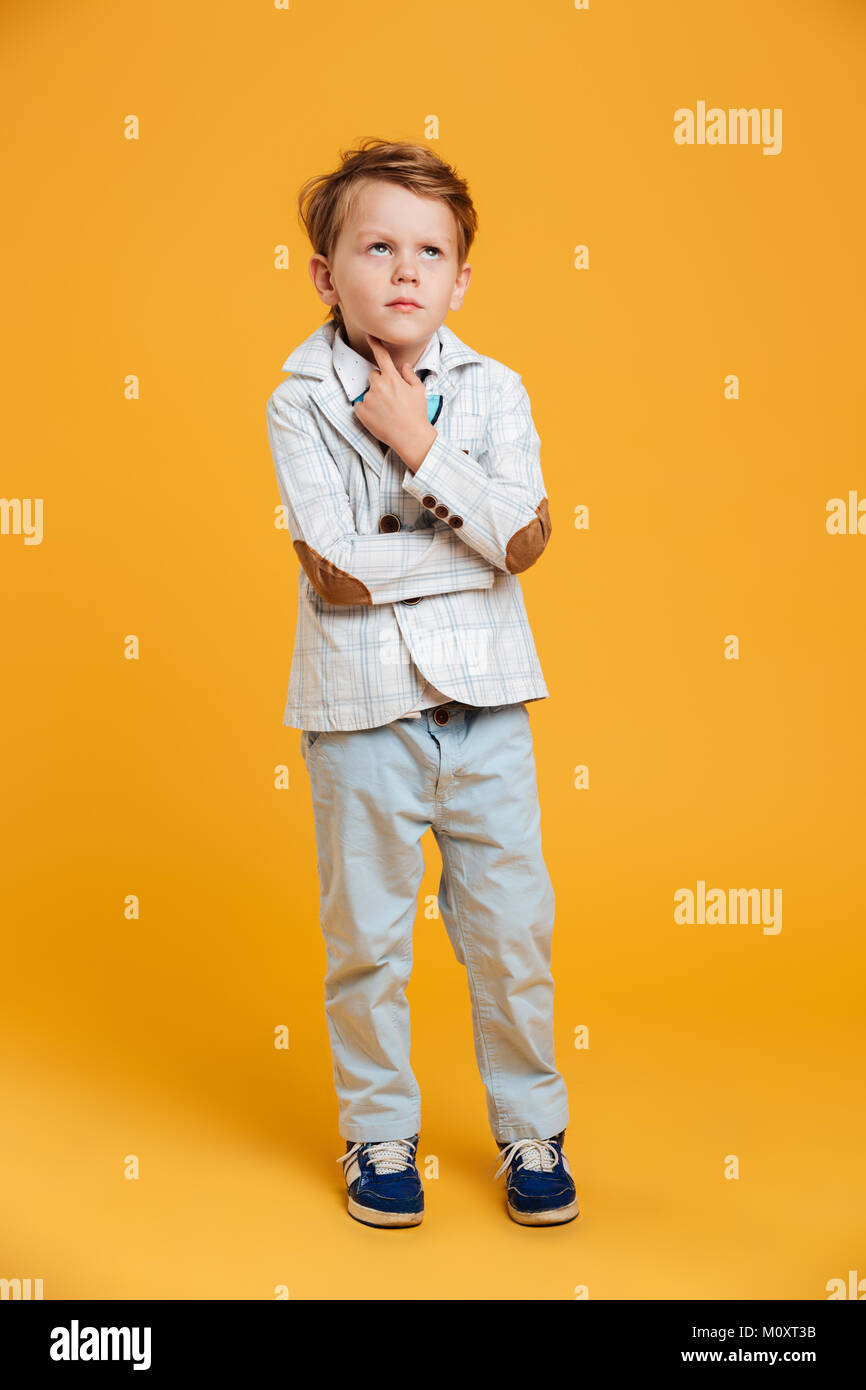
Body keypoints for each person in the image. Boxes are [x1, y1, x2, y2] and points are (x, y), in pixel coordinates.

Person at [265, 137, 578, 1228]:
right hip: (360, 717)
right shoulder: (297, 399)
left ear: (459, 278)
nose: (405, 270)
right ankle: (377, 1133)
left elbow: (531, 539)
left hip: (487, 711)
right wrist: (479, 535)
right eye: (376, 246)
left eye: (429, 250)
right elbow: (336, 571)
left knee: (510, 930)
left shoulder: (495, 391)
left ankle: (532, 1126)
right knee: (366, 939)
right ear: (324, 272)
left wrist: (418, 448)